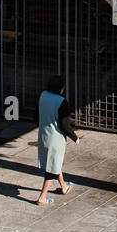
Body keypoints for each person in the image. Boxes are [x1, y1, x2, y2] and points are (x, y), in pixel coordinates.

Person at [35, 74, 80, 206]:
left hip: (43, 135)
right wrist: (74, 137)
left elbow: (36, 115)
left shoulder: (43, 95)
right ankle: (42, 197)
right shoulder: (61, 102)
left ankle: (64, 186)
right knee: (51, 169)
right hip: (56, 138)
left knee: (54, 162)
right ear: (61, 88)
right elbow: (65, 124)